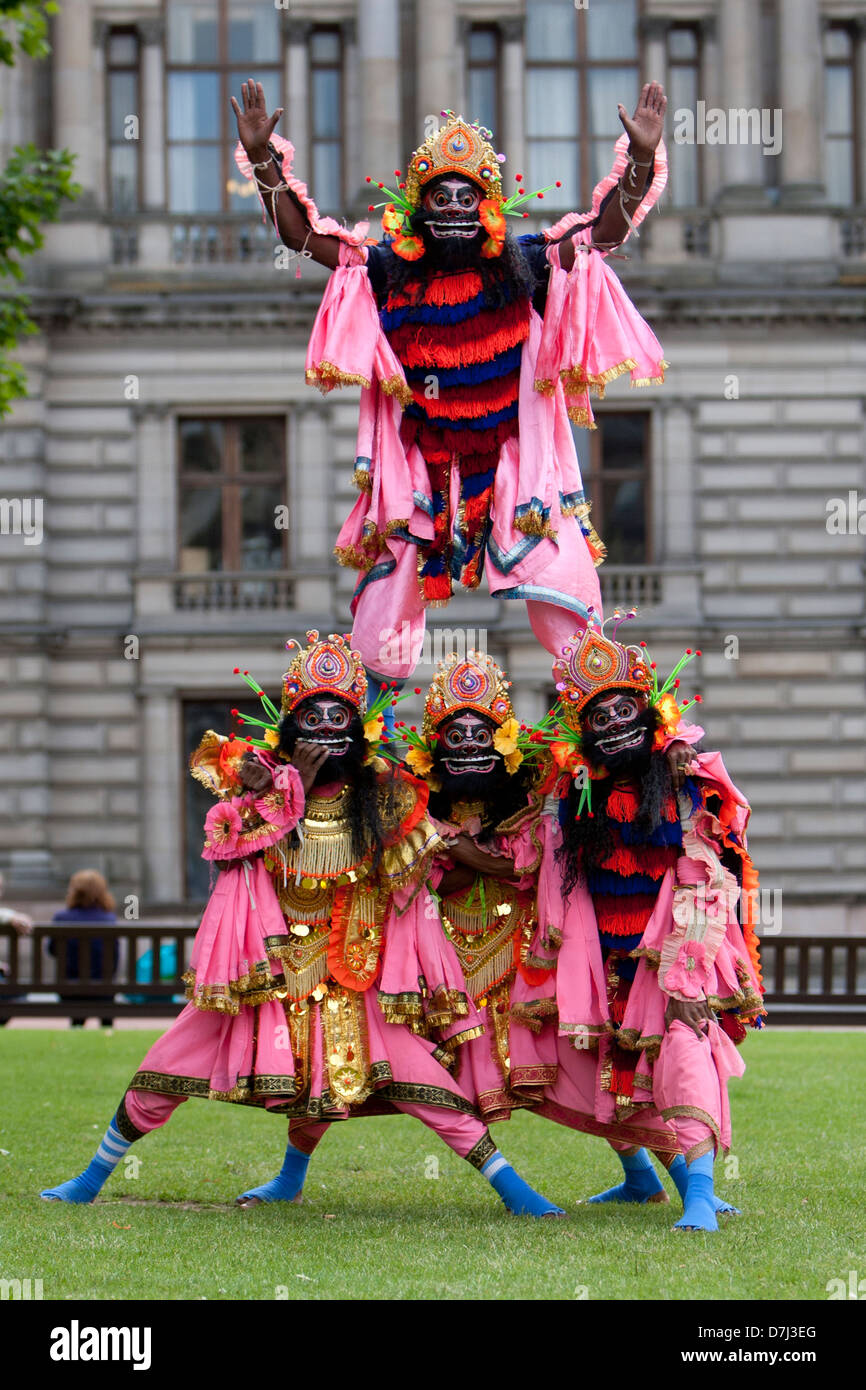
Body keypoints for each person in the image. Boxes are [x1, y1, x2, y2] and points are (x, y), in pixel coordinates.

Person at [41, 632, 562, 1218]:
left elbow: (419, 868)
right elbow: (222, 842)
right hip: (266, 976)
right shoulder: (258, 790)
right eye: (311, 716)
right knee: (164, 1064)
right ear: (290, 731)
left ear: (359, 730)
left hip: (351, 975)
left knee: (432, 1092)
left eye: (338, 716)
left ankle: (517, 1194)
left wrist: (480, 853)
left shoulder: (387, 797)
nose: (325, 728)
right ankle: (90, 1177)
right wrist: (288, 793)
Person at [230, 78, 670, 711]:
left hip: (513, 462)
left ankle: (614, 714)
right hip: (422, 466)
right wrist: (264, 161)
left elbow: (601, 235)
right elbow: (306, 239)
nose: (457, 206)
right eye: (443, 196)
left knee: (564, 578)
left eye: (469, 195)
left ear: (488, 207)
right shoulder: (387, 268)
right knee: (388, 605)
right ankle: (353, 730)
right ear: (419, 209)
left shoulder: (527, 264)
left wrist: (642, 163)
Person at [532, 617, 765, 1231]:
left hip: (678, 948)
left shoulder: (684, 785)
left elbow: (711, 870)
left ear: (649, 719)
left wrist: (685, 972)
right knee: (603, 1065)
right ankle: (642, 1180)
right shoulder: (574, 795)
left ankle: (699, 1197)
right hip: (605, 959)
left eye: (624, 713)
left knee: (686, 1053)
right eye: (597, 719)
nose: (612, 727)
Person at [48, 870, 118, 1028]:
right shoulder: (109, 919)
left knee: (78, 997)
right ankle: (107, 1027)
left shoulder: (61, 918)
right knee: (105, 993)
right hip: (104, 990)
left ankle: (76, 1024)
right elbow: (114, 957)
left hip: (69, 990)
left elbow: (52, 950)